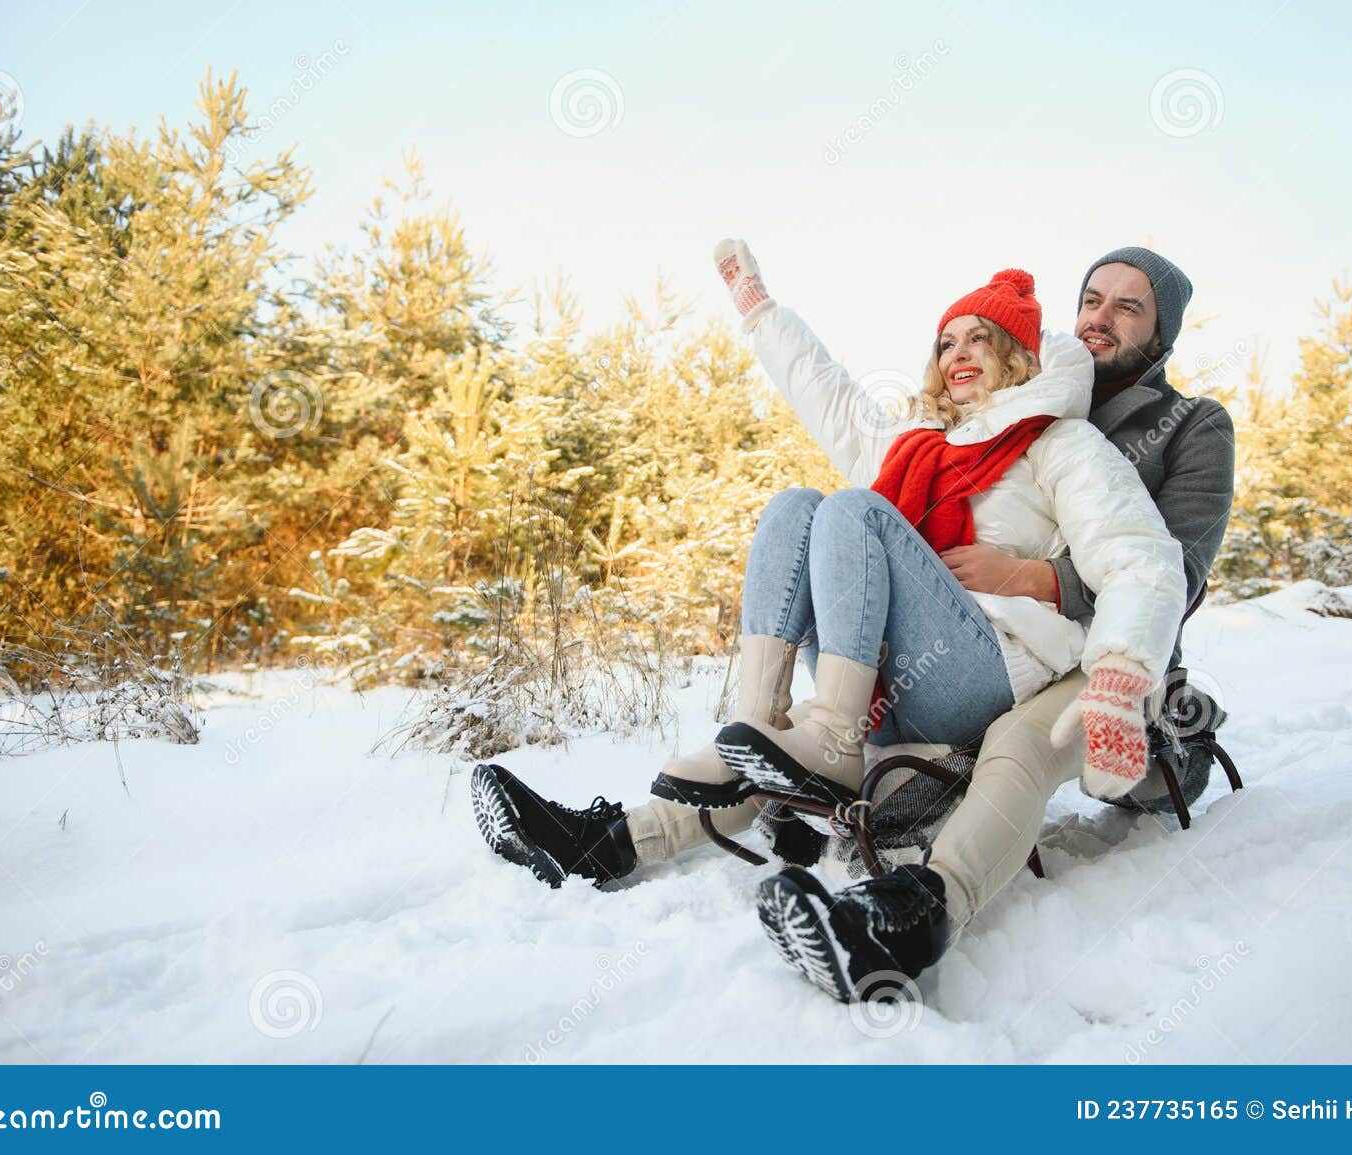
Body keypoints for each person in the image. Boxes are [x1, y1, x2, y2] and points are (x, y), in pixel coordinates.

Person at [470, 241, 1187, 909]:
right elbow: (830, 397)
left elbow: (1139, 555)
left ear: (1017, 352)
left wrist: (1124, 670)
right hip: (895, 675)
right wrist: (761, 314)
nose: (958, 353)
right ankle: (643, 811)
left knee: (856, 512)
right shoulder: (914, 444)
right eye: (946, 341)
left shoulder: (1061, 443)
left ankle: (834, 740)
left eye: (980, 337)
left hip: (988, 669)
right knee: (797, 507)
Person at [754, 246, 1238, 1003]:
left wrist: (1035, 578)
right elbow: (850, 421)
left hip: (1114, 648)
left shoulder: (1188, 424)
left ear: (1163, 330)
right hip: (1002, 638)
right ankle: (667, 822)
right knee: (873, 717)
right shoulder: (1017, 404)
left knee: (1019, 742)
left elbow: (1170, 563)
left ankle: (917, 913)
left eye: (1129, 307)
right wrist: (764, 316)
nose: (1101, 318)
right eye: (1092, 300)